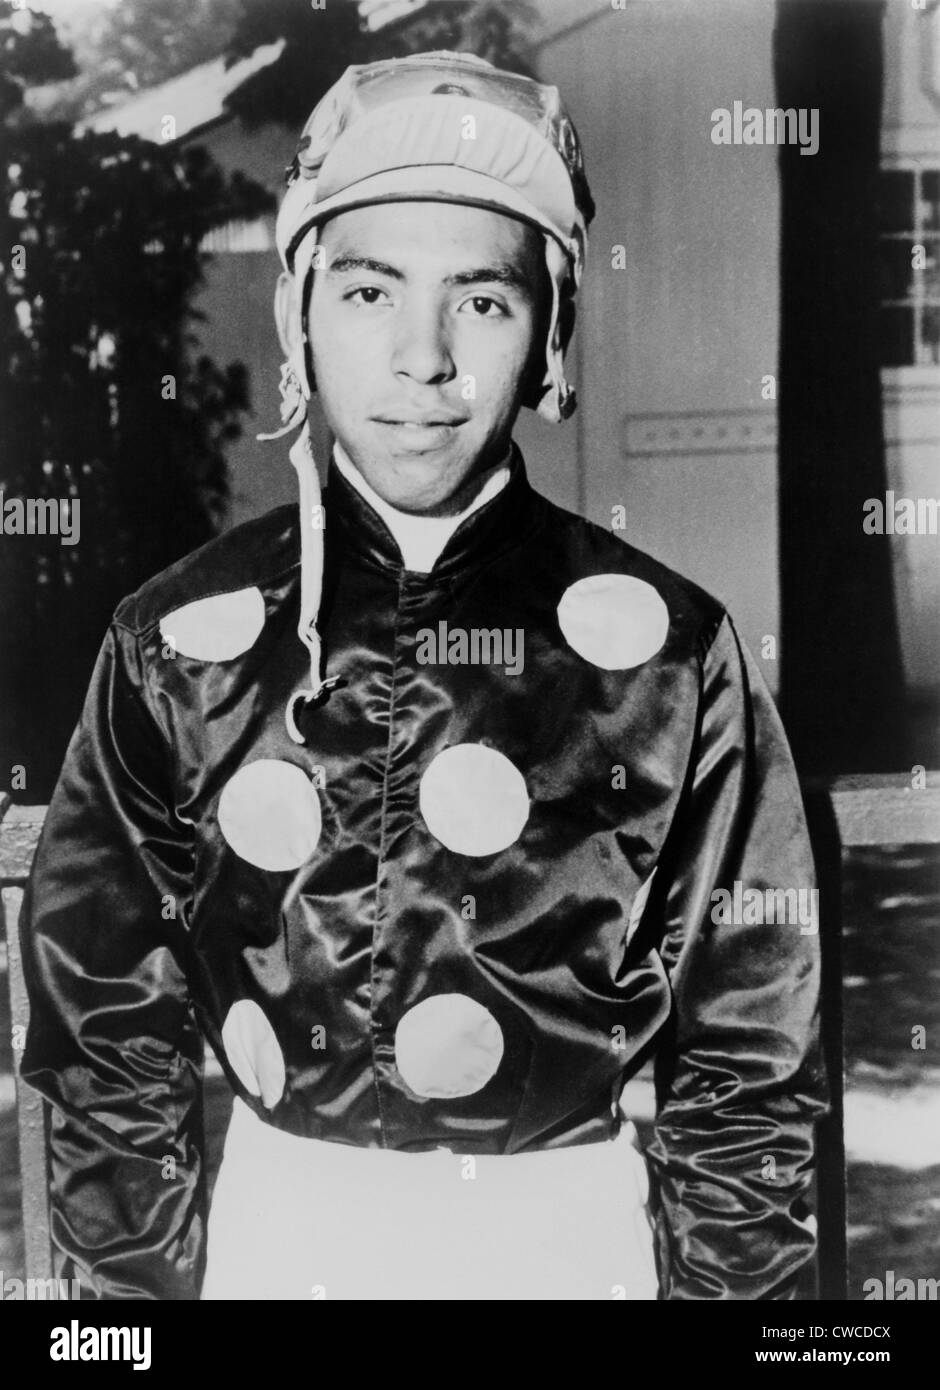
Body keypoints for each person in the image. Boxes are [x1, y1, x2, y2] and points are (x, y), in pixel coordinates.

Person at [20, 50, 827, 1301]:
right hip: (278, 1245)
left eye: (484, 301)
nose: (422, 358)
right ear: (298, 315)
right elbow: (104, 1027)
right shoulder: (173, 645)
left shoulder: (675, 658)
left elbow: (749, 1064)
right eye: (366, 292)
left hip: (567, 1249)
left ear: (550, 329)